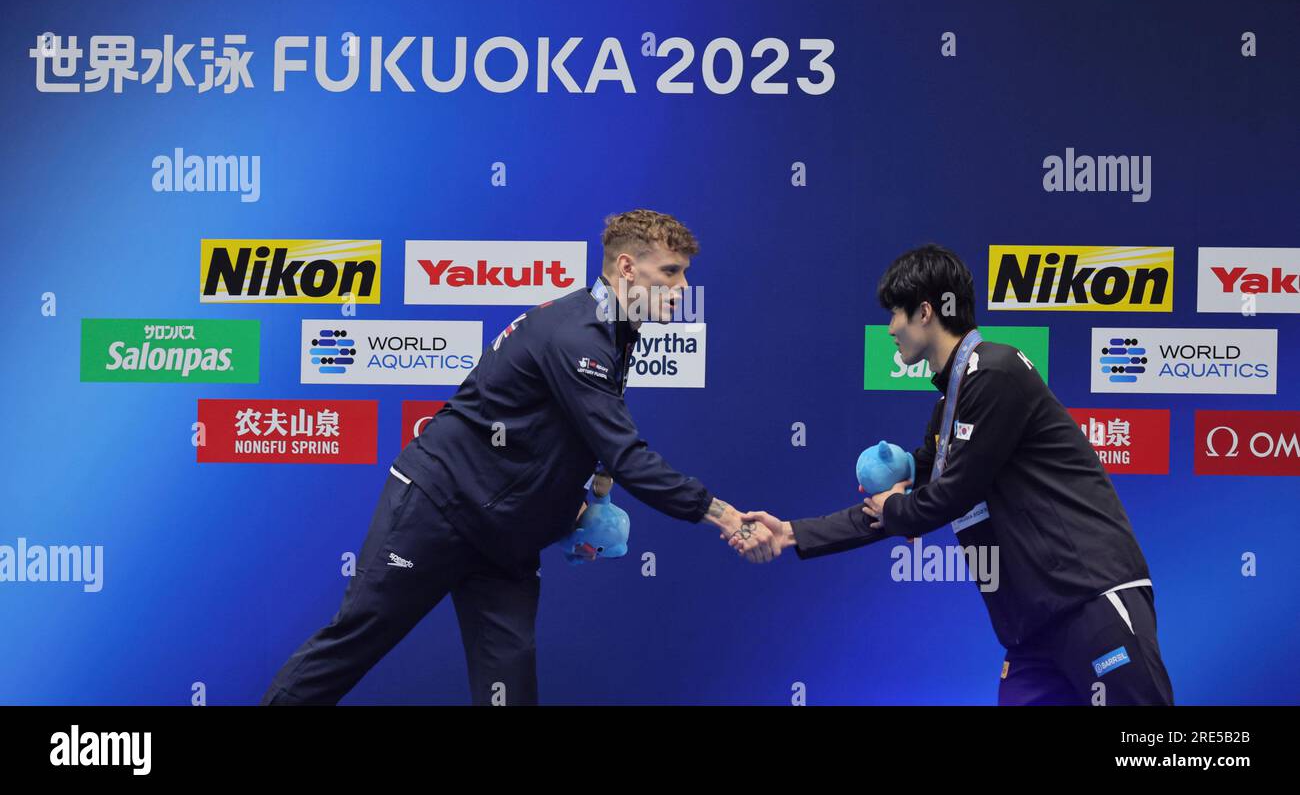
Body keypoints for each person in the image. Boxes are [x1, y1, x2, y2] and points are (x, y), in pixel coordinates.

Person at [262, 209, 766, 705]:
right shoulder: (577, 336)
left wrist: (596, 498)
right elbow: (626, 451)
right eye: (670, 273)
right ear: (628, 269)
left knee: (510, 686)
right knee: (355, 641)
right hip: (438, 509)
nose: (682, 290)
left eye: (684, 275)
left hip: (506, 537)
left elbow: (590, 430)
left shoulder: (614, 328)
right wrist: (725, 517)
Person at [734, 244, 1175, 706]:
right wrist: (789, 533)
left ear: (926, 311)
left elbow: (951, 494)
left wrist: (901, 509)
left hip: (1089, 599)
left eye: (894, 315)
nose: (889, 329)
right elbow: (900, 505)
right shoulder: (950, 405)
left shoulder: (997, 372)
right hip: (1030, 630)